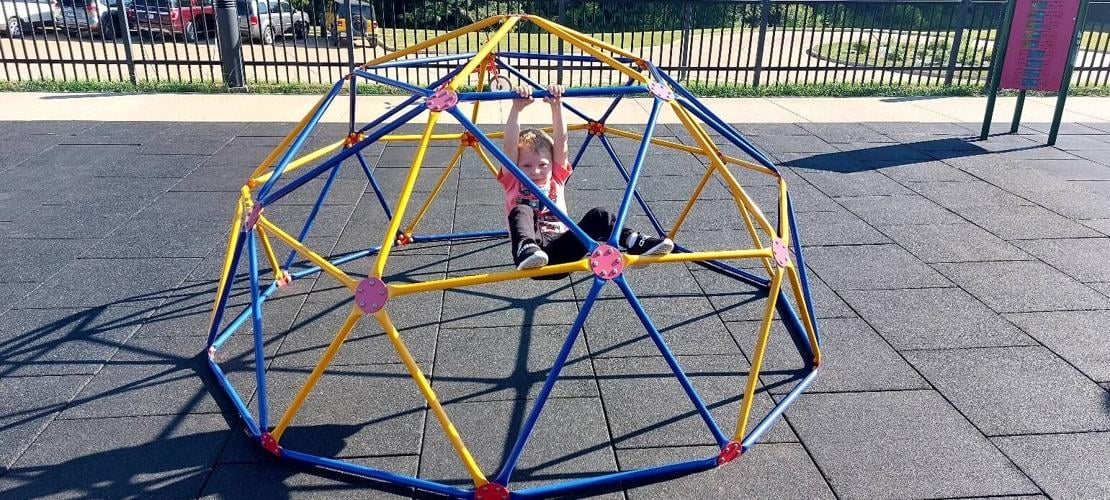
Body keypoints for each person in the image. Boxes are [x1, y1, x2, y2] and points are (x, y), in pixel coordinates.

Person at [499, 84, 674, 272]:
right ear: (516, 166)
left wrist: (557, 106)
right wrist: (516, 109)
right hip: (531, 256)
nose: (535, 171)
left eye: (543, 165)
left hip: (563, 250)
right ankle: (525, 247)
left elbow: (561, 142)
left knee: (599, 215)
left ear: (552, 164)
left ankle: (633, 240)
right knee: (521, 210)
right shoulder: (514, 182)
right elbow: (509, 148)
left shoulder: (556, 179)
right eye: (526, 166)